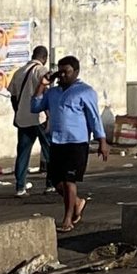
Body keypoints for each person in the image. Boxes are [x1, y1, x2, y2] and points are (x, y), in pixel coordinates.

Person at [34, 53, 108, 233]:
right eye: (60, 72)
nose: (63, 76)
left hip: (77, 142)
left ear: (75, 72)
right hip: (58, 141)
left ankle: (67, 218)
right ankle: (77, 202)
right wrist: (41, 86)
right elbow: (35, 107)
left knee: (69, 180)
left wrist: (102, 140)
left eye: (66, 72)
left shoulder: (85, 91)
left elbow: (94, 117)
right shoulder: (53, 93)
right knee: (56, 180)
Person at [8, 42, 50, 196]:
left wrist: (17, 112)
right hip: (39, 117)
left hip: (23, 118)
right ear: (44, 58)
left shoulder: (19, 72)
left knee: (23, 152)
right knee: (48, 150)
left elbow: (12, 97)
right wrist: (50, 116)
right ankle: (51, 184)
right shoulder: (42, 71)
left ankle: (20, 186)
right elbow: (46, 94)